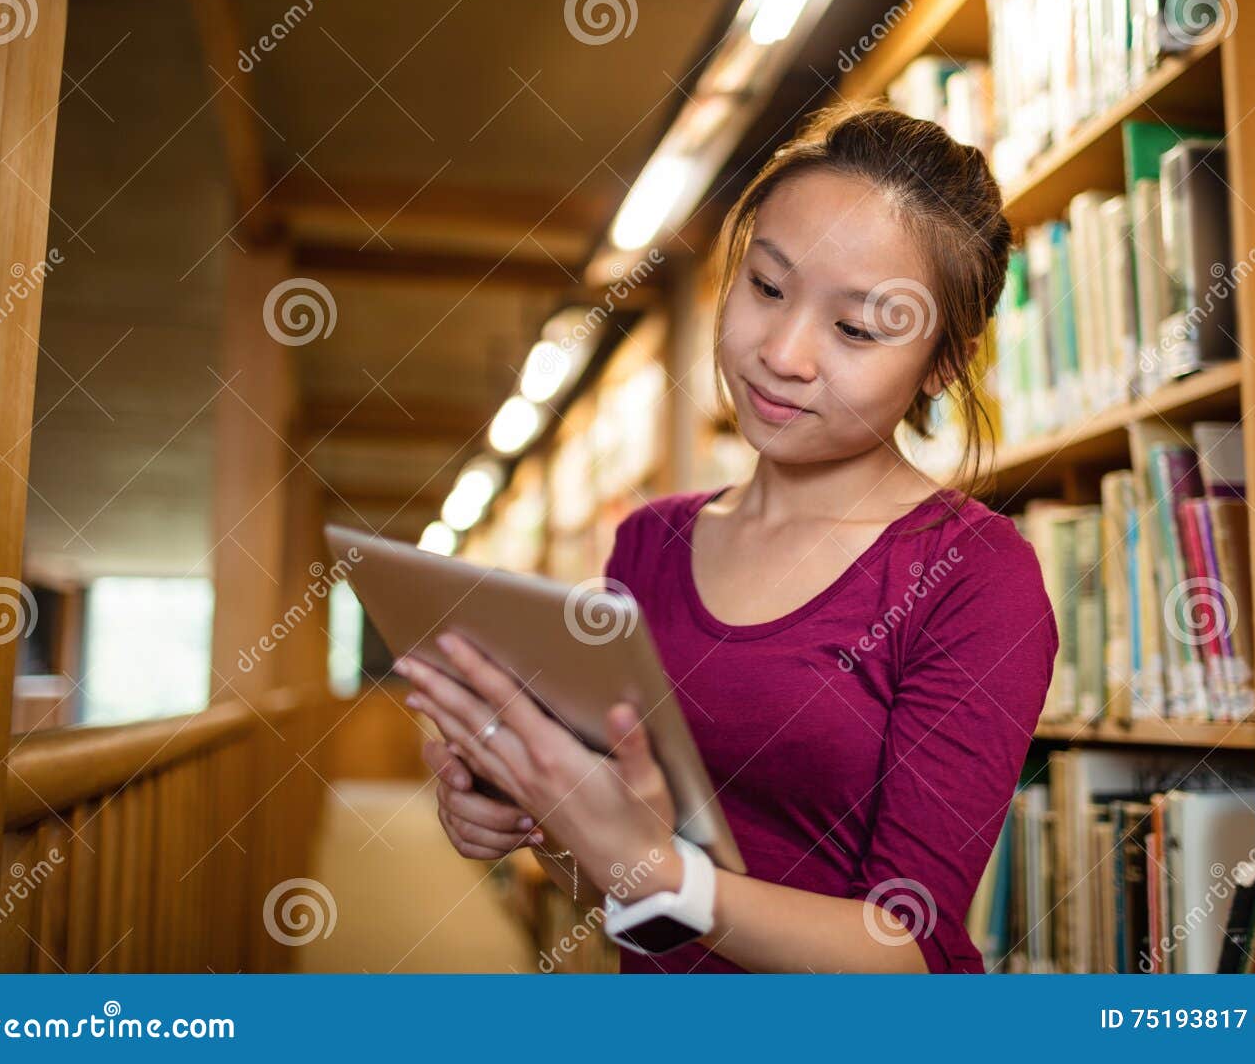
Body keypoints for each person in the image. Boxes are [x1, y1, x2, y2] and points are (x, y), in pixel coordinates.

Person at [397, 100, 1059, 973]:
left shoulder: (974, 575)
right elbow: (619, 882)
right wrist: (532, 813)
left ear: (941, 363)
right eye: (767, 286)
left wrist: (663, 867)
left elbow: (911, 956)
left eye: (855, 328)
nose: (783, 352)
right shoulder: (649, 545)